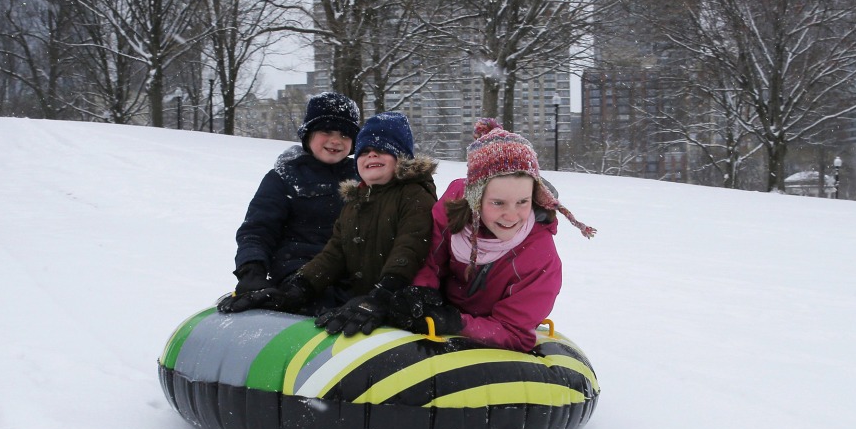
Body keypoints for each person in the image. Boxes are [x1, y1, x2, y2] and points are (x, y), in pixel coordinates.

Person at [223, 111, 439, 339]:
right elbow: (333, 254)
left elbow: (410, 247)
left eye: (383, 149)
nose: (372, 154)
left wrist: (383, 294)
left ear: (403, 157)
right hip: (326, 283)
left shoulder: (414, 195)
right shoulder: (355, 199)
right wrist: (296, 288)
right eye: (364, 151)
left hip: (394, 296)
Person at [388, 118, 596, 352]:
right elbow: (429, 257)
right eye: (498, 202)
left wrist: (457, 323)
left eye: (522, 202)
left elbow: (514, 331)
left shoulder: (540, 258)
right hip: (444, 304)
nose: (511, 215)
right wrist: (422, 289)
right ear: (476, 198)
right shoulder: (452, 207)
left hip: (487, 331)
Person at [217, 92, 361, 314]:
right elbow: (258, 229)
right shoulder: (286, 176)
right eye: (326, 131)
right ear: (308, 134)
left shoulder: (363, 176)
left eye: (344, 134)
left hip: (352, 279)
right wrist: (251, 272)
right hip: (298, 278)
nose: (336, 140)